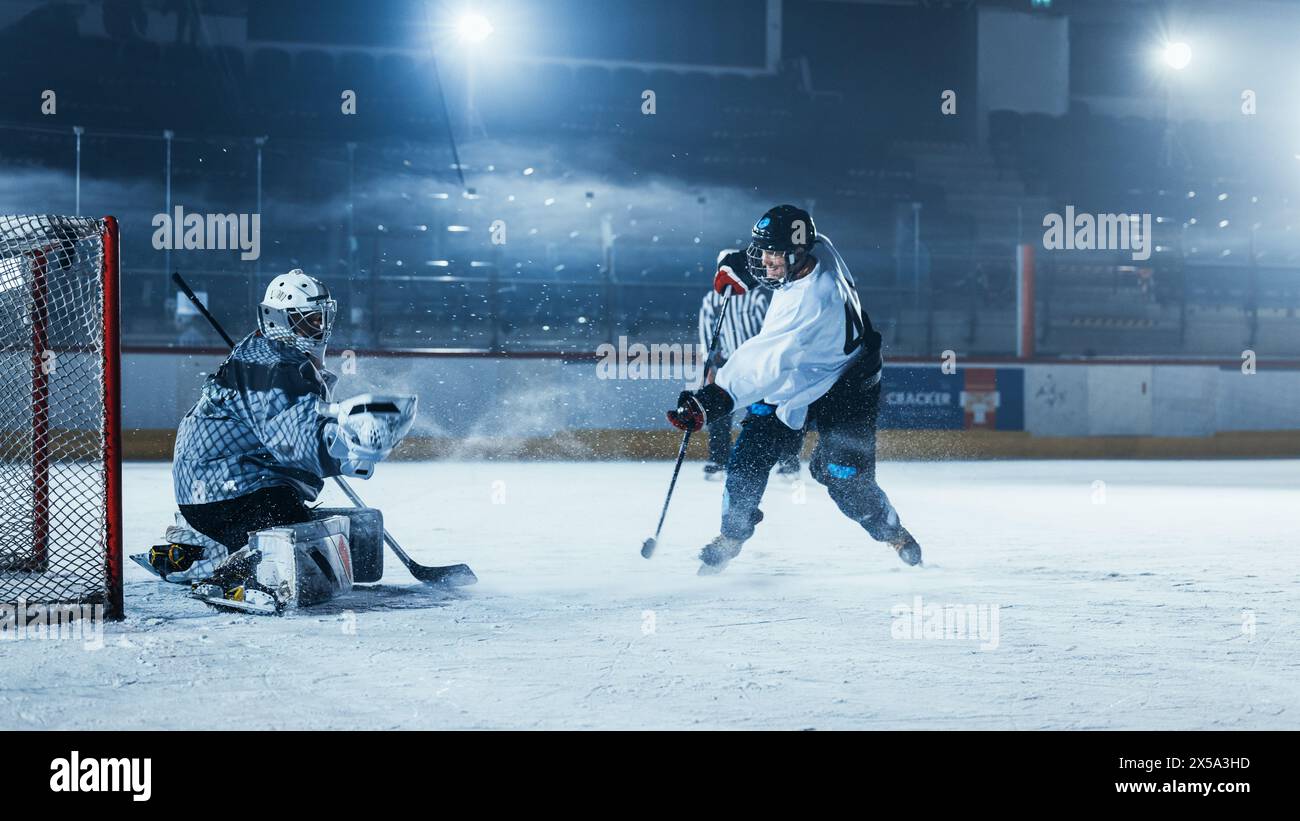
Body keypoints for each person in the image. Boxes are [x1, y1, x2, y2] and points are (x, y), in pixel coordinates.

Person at [667, 205, 923, 574]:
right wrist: (742, 263)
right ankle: (732, 535)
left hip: (847, 386)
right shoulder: (822, 251)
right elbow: (806, 241)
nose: (766, 263)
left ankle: (893, 533)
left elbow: (759, 369)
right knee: (749, 454)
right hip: (802, 373)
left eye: (774, 255)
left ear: (797, 255)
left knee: (841, 475)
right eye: (762, 253)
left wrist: (707, 404)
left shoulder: (811, 307)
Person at [146, 270, 415, 609]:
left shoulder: (275, 358)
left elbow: (296, 423)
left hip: (230, 486)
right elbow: (293, 441)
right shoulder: (272, 365)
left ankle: (199, 546)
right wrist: (344, 444)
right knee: (293, 542)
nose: (318, 329)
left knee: (310, 531)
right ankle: (238, 571)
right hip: (230, 490)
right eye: (307, 321)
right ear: (277, 321)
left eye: (321, 319)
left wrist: (343, 447)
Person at [698, 249, 802, 481]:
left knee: (770, 410)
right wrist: (710, 370)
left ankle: (787, 460)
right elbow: (707, 337)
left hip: (757, 363)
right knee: (719, 413)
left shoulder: (755, 297)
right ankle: (718, 460)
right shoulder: (711, 300)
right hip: (727, 364)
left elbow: (768, 330)